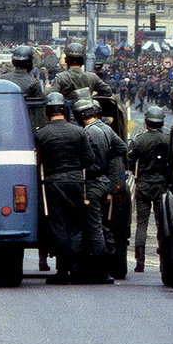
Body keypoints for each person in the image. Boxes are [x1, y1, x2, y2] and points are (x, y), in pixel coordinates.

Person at [34, 92, 92, 285]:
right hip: (76, 181)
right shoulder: (79, 132)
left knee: (59, 225)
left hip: (53, 182)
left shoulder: (41, 133)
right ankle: (76, 270)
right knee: (76, 225)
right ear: (65, 111)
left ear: (47, 111)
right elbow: (89, 160)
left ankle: (62, 271)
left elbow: (37, 162)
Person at [76, 97, 127, 284]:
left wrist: (95, 162)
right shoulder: (107, 130)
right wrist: (106, 158)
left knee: (94, 227)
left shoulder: (87, 133)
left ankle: (101, 270)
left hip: (93, 183)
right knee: (102, 226)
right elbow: (122, 148)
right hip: (105, 182)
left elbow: (85, 159)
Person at [129, 106, 172, 273]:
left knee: (141, 223)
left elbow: (130, 161)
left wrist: (136, 172)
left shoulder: (139, 140)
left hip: (144, 184)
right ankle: (163, 262)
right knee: (162, 224)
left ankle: (140, 262)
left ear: (146, 121)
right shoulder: (168, 140)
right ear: (161, 122)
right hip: (162, 184)